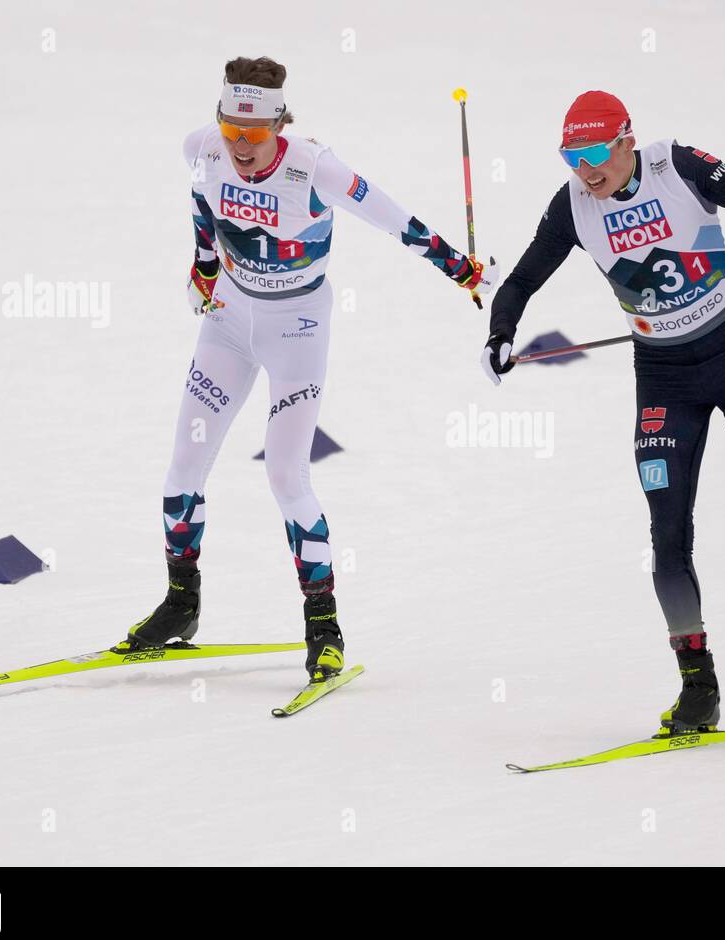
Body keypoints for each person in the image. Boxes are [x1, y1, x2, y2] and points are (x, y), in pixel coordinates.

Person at [482, 90, 725, 731]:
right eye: (570, 157)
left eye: (594, 154)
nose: (586, 170)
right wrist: (501, 335)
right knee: (667, 534)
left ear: (625, 140)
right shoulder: (572, 207)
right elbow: (522, 280)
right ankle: (699, 685)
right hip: (665, 380)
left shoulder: (678, 166)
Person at [123, 56, 490, 687]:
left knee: (287, 474)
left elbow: (392, 217)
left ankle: (324, 629)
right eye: (231, 132)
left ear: (278, 124)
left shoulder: (315, 167)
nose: (240, 148)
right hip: (229, 324)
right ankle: (182, 605)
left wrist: (458, 266)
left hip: (297, 330)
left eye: (254, 136)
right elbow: (201, 200)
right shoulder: (203, 148)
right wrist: (203, 267)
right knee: (184, 464)